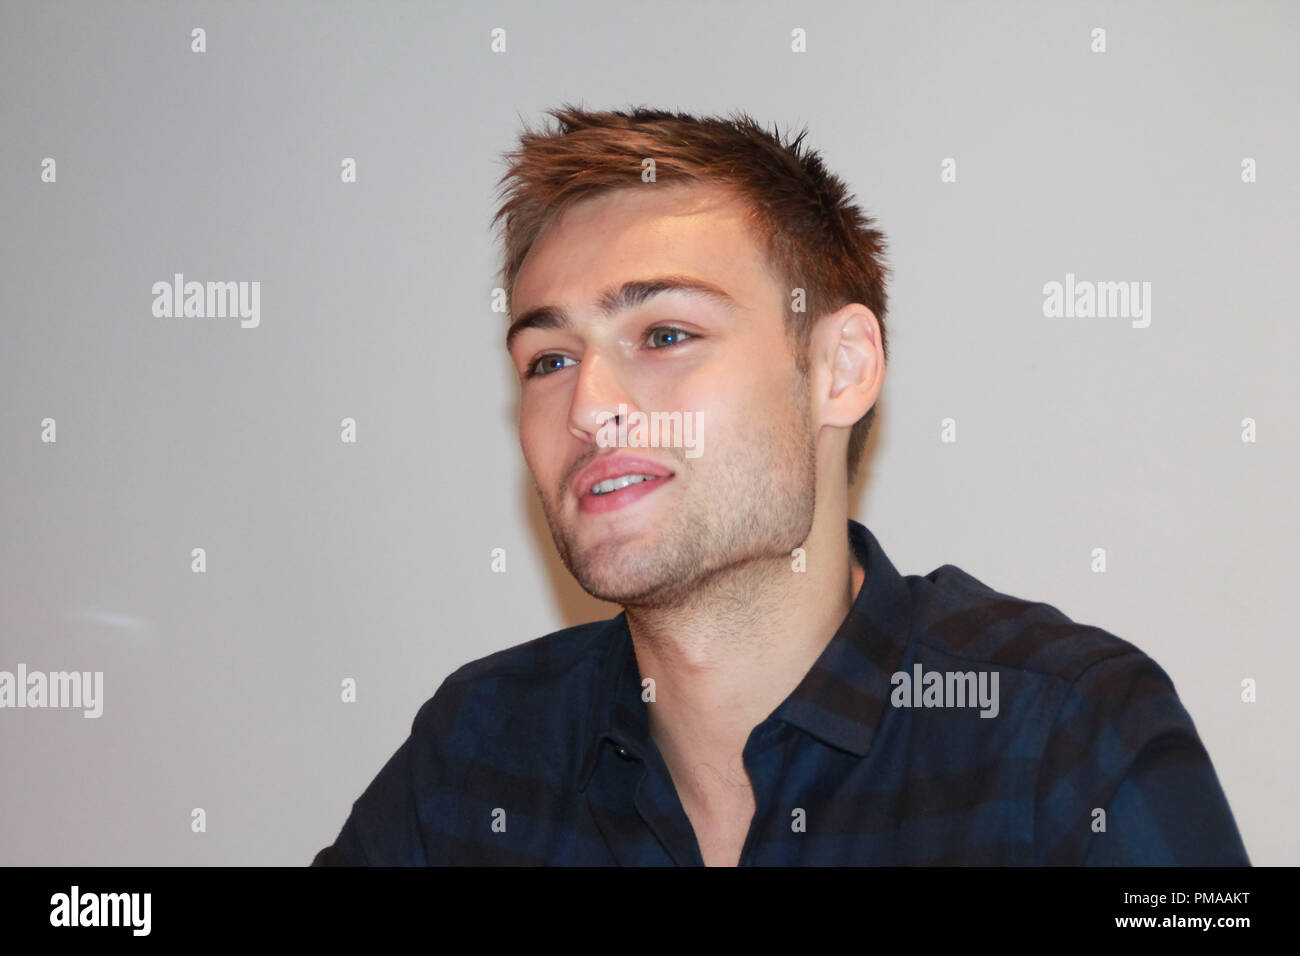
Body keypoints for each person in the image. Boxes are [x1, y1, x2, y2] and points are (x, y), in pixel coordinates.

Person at [312, 105, 1248, 866]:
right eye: (548, 359)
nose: (589, 407)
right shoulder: (478, 751)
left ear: (840, 368)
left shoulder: (1067, 735)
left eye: (666, 335)